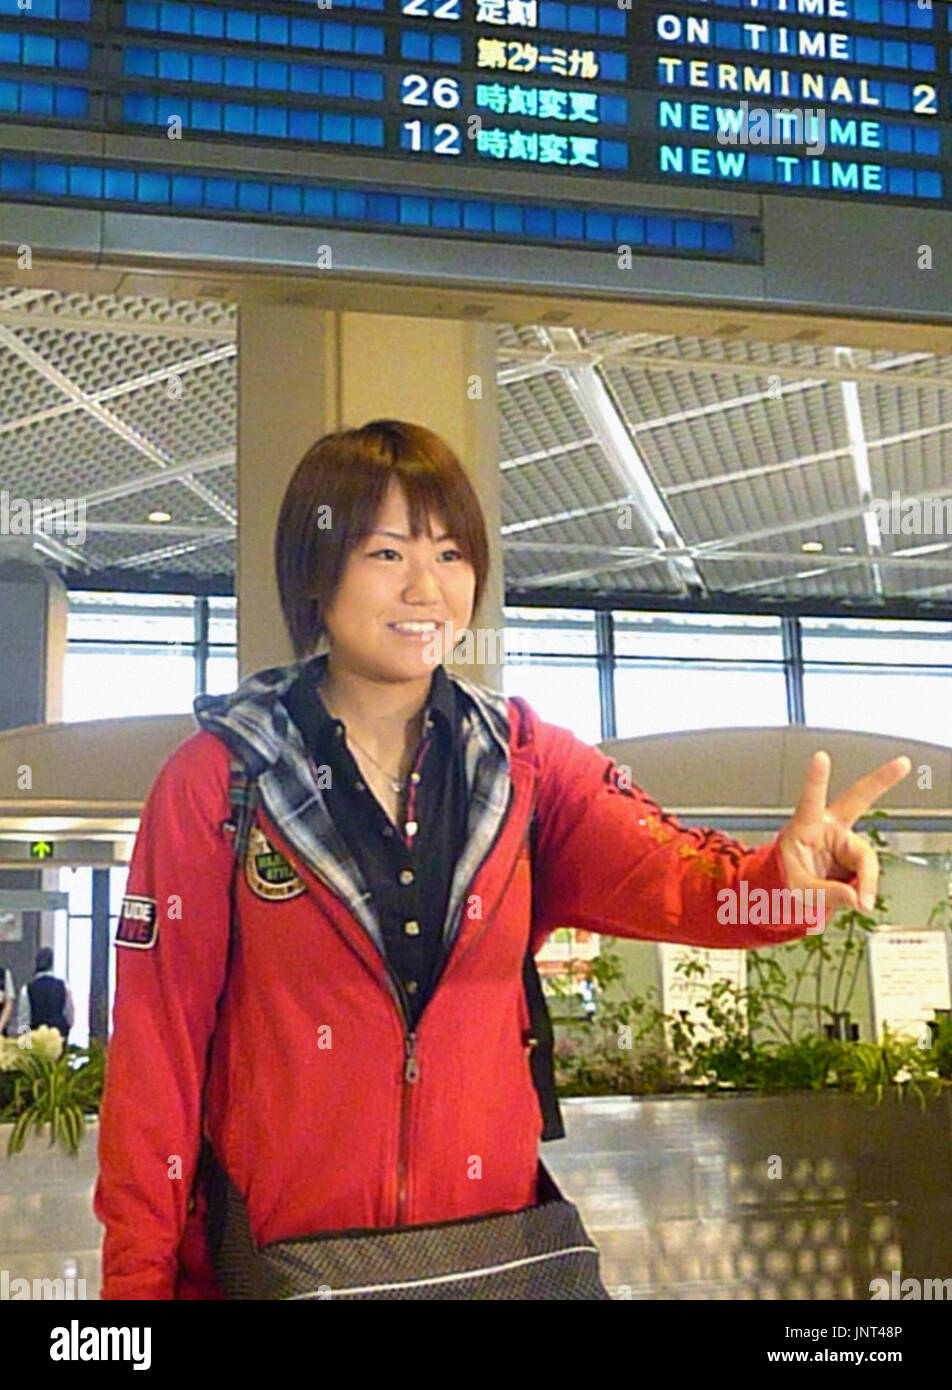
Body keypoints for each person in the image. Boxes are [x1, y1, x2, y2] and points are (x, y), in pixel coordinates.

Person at [93, 419, 910, 1301]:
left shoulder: (525, 765)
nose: (426, 587)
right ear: (314, 571)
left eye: (450, 553)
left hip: (491, 1264)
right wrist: (134, 1300)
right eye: (385, 552)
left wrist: (780, 888)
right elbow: (157, 1058)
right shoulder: (221, 781)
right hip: (290, 1267)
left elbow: (674, 882)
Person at [17, 947, 74, 1042]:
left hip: (36, 1038)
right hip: (59, 1036)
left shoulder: (27, 989)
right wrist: (65, 1030)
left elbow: (24, 1020)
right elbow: (70, 1014)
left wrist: (24, 1046)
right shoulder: (64, 986)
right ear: (52, 964)